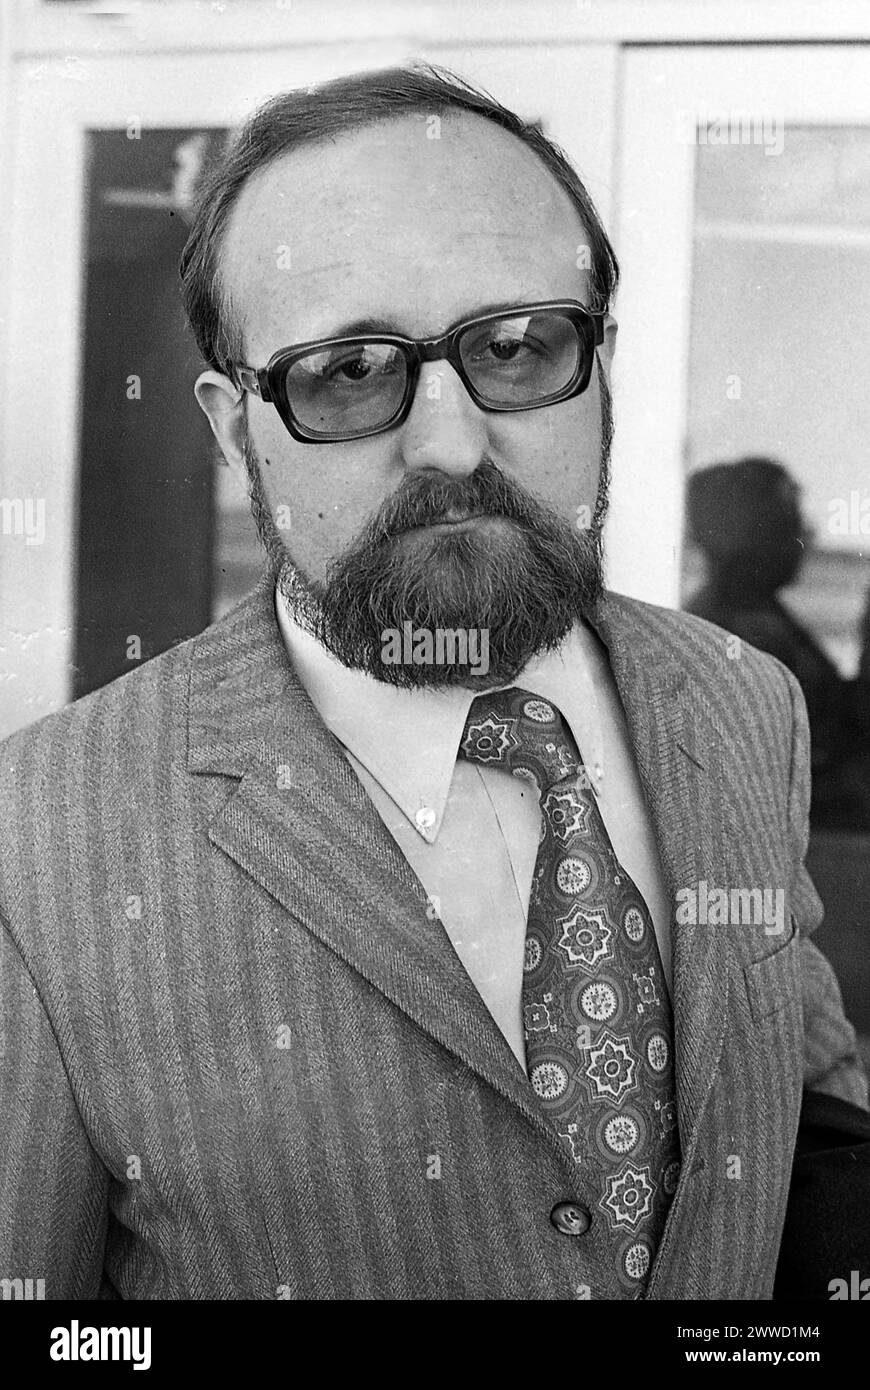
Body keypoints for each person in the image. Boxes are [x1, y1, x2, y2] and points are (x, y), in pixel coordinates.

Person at [0, 65, 866, 1303]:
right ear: (230, 425)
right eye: (347, 371)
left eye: (518, 347)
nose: (453, 441)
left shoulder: (739, 698)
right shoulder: (37, 836)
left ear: (599, 361)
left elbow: (803, 1096)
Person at [685, 457, 870, 829]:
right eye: (789, 525)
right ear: (749, 538)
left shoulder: (750, 613)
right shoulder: (745, 632)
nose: (807, 534)